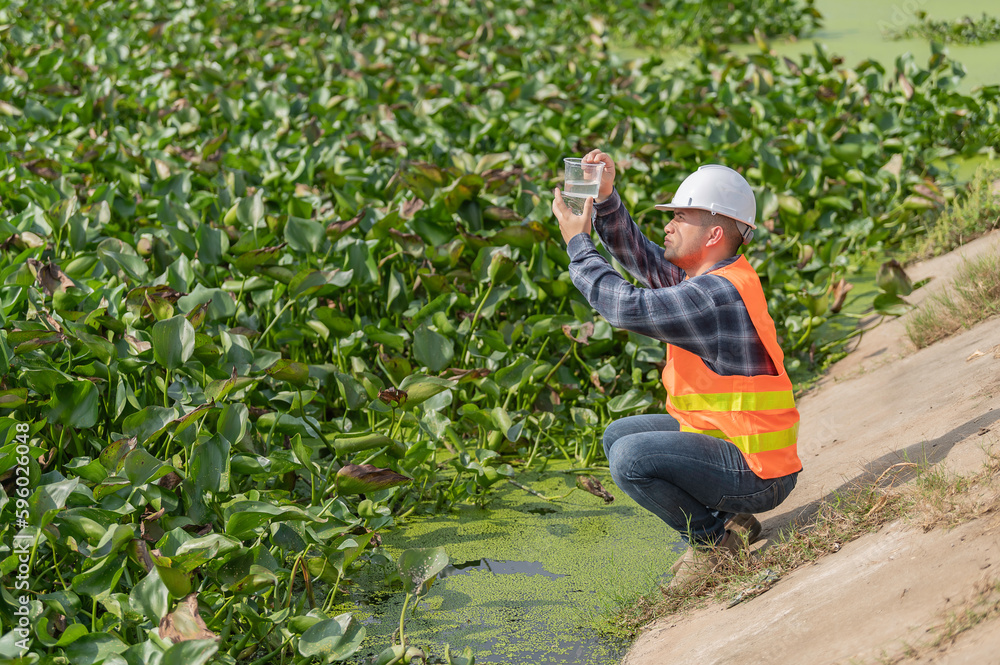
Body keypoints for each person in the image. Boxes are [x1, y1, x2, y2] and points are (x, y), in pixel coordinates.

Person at [550, 150, 802, 588]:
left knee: (631, 459)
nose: (668, 225)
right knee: (618, 436)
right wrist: (606, 200)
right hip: (734, 443)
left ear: (714, 233)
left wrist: (579, 244)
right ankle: (732, 520)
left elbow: (625, 305)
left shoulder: (714, 295)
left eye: (681, 217)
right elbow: (643, 260)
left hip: (758, 469)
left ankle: (712, 546)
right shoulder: (708, 277)